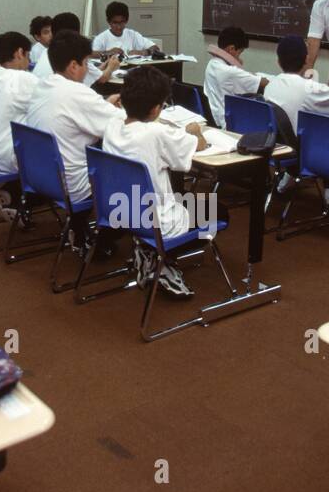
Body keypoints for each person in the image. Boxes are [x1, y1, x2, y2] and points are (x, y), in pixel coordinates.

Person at [103, 66, 215, 300]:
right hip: (155, 222)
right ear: (156, 108)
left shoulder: (112, 126)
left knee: (176, 195)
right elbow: (199, 145)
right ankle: (162, 260)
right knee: (213, 210)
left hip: (120, 211)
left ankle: (147, 251)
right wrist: (195, 131)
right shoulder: (156, 133)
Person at [24, 32, 125, 248]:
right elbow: (122, 123)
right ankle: (105, 239)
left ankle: (80, 228)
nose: (89, 68)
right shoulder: (77, 93)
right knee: (132, 174)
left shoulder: (43, 86)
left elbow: (79, 114)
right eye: (86, 62)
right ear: (73, 65)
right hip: (71, 184)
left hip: (40, 176)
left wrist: (103, 103)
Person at [0, 31, 36, 178]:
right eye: (28, 56)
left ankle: (14, 193)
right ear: (19, 53)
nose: (28, 63)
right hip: (8, 160)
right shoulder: (22, 78)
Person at [263, 34, 329, 137]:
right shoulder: (309, 89)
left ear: (279, 62)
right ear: (306, 59)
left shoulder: (270, 85)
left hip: (276, 145)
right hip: (298, 148)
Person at [202, 26, 268, 130]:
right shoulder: (230, 72)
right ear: (231, 49)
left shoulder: (212, 64)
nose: (239, 56)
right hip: (229, 124)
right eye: (240, 52)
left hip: (216, 119)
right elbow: (265, 83)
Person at [33, 14, 119, 87]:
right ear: (77, 33)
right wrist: (111, 67)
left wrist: (103, 67)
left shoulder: (47, 51)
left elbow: (89, 72)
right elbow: (102, 78)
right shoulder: (74, 52)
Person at [92, 2, 158, 57]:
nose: (119, 27)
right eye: (115, 23)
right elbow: (90, 54)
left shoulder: (133, 35)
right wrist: (107, 53)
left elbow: (155, 48)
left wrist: (143, 52)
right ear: (108, 21)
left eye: (122, 22)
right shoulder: (101, 38)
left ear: (126, 21)